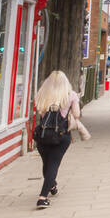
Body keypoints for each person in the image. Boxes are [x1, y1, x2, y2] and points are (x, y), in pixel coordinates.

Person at [33, 70, 81, 209]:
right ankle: (42, 197)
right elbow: (77, 115)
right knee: (53, 165)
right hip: (61, 135)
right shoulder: (71, 95)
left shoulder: (42, 94)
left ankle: (52, 185)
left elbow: (41, 112)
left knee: (47, 164)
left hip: (42, 135)